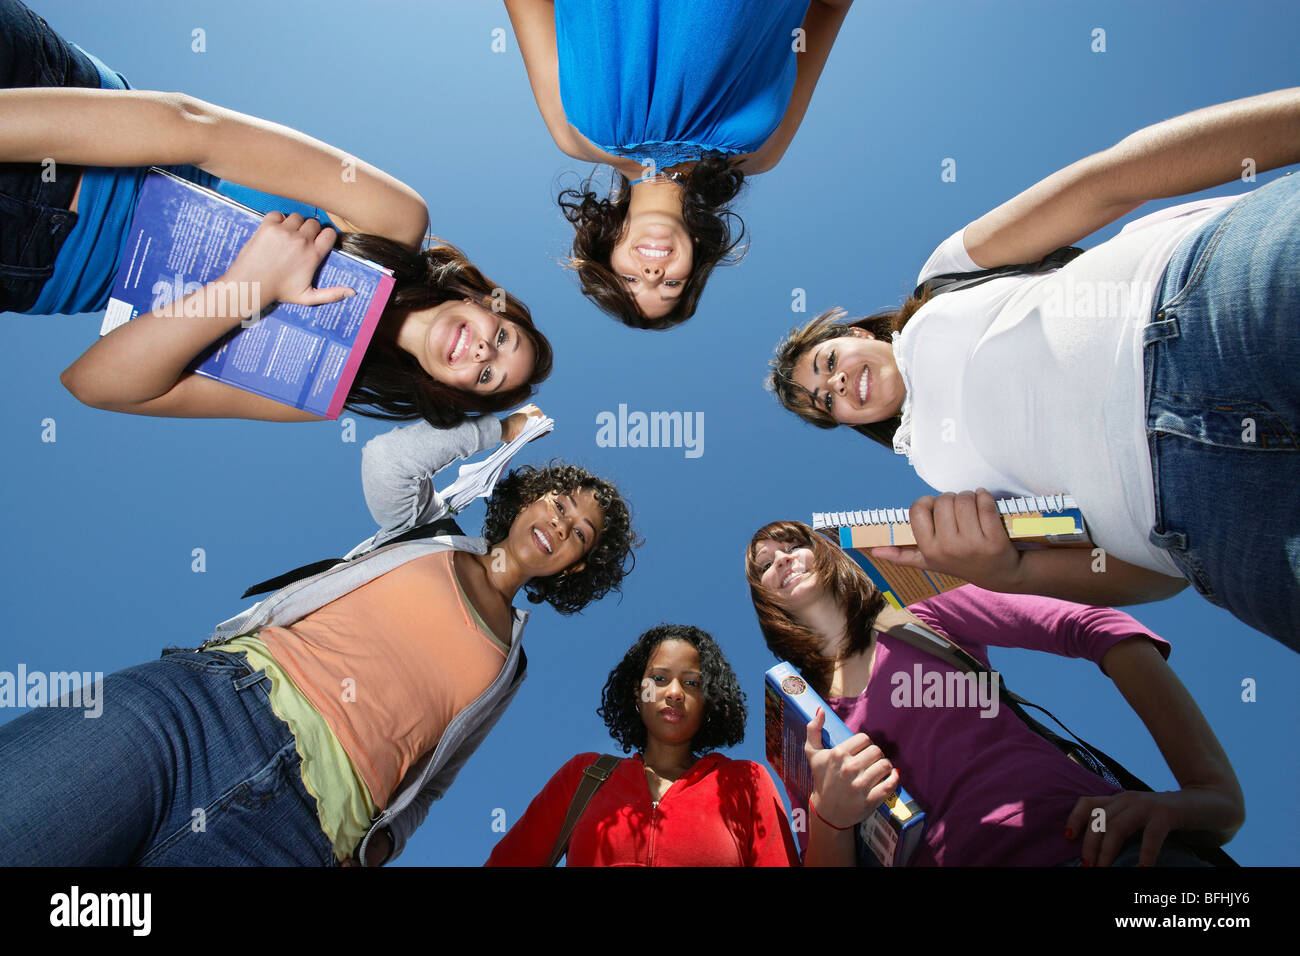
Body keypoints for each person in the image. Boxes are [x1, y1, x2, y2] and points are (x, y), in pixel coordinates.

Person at [767, 88, 1300, 650]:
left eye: (827, 364)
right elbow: (1153, 580)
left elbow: (1108, 181)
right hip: (1214, 526)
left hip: (1215, 305)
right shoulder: (941, 484)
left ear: (856, 334)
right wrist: (1010, 575)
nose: (836, 385)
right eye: (825, 401)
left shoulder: (941, 279)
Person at [0, 405, 640, 865]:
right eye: (559, 502)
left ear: (576, 565)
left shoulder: (511, 669)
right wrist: (499, 430)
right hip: (208, 713)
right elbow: (389, 460)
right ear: (527, 496)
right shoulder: (428, 530)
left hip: (301, 834)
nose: (561, 523)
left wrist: (381, 844)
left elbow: (437, 777)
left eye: (580, 532)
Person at [0, 0, 551, 425]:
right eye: (502, 338)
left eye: (485, 377)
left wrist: (248, 287)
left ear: (449, 392)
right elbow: (191, 128)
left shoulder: (316, 392)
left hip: (32, 260)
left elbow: (94, 383)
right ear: (483, 301)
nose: (481, 351)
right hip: (54, 106)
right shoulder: (396, 220)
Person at [744, 520, 1245, 867]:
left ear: (825, 552)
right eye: (764, 564)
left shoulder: (920, 618)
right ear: (764, 599)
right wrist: (830, 818)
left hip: (1099, 850)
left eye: (792, 543)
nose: (782, 559)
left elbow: (1088, 621)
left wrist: (1207, 793)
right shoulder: (805, 723)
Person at [505, 0, 853, 329]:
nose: (652, 276)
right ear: (697, 256)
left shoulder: (573, 137)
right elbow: (827, 7)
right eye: (672, 284)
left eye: (629, 280)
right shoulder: (760, 156)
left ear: (609, 247)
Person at [485, 622, 895, 866]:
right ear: (637, 692)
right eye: (660, 679)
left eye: (692, 683)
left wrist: (829, 816)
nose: (675, 692)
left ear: (708, 700)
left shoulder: (746, 781)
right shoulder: (585, 775)